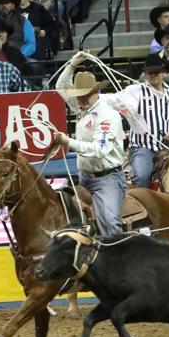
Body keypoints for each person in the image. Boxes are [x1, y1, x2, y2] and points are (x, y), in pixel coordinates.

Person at [54, 57, 131, 236]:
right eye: (79, 96)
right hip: (84, 177)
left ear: (96, 92)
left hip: (107, 179)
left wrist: (68, 142)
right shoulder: (82, 107)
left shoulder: (107, 115)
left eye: (86, 94)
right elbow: (60, 86)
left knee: (111, 224)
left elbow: (99, 150)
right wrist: (72, 64)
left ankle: (118, 257)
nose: (82, 99)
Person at [117, 53, 169, 189]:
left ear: (163, 72)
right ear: (145, 75)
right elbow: (115, 100)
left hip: (167, 146)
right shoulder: (135, 91)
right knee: (141, 177)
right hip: (143, 147)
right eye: (149, 73)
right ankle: (142, 205)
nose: (152, 75)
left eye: (156, 72)